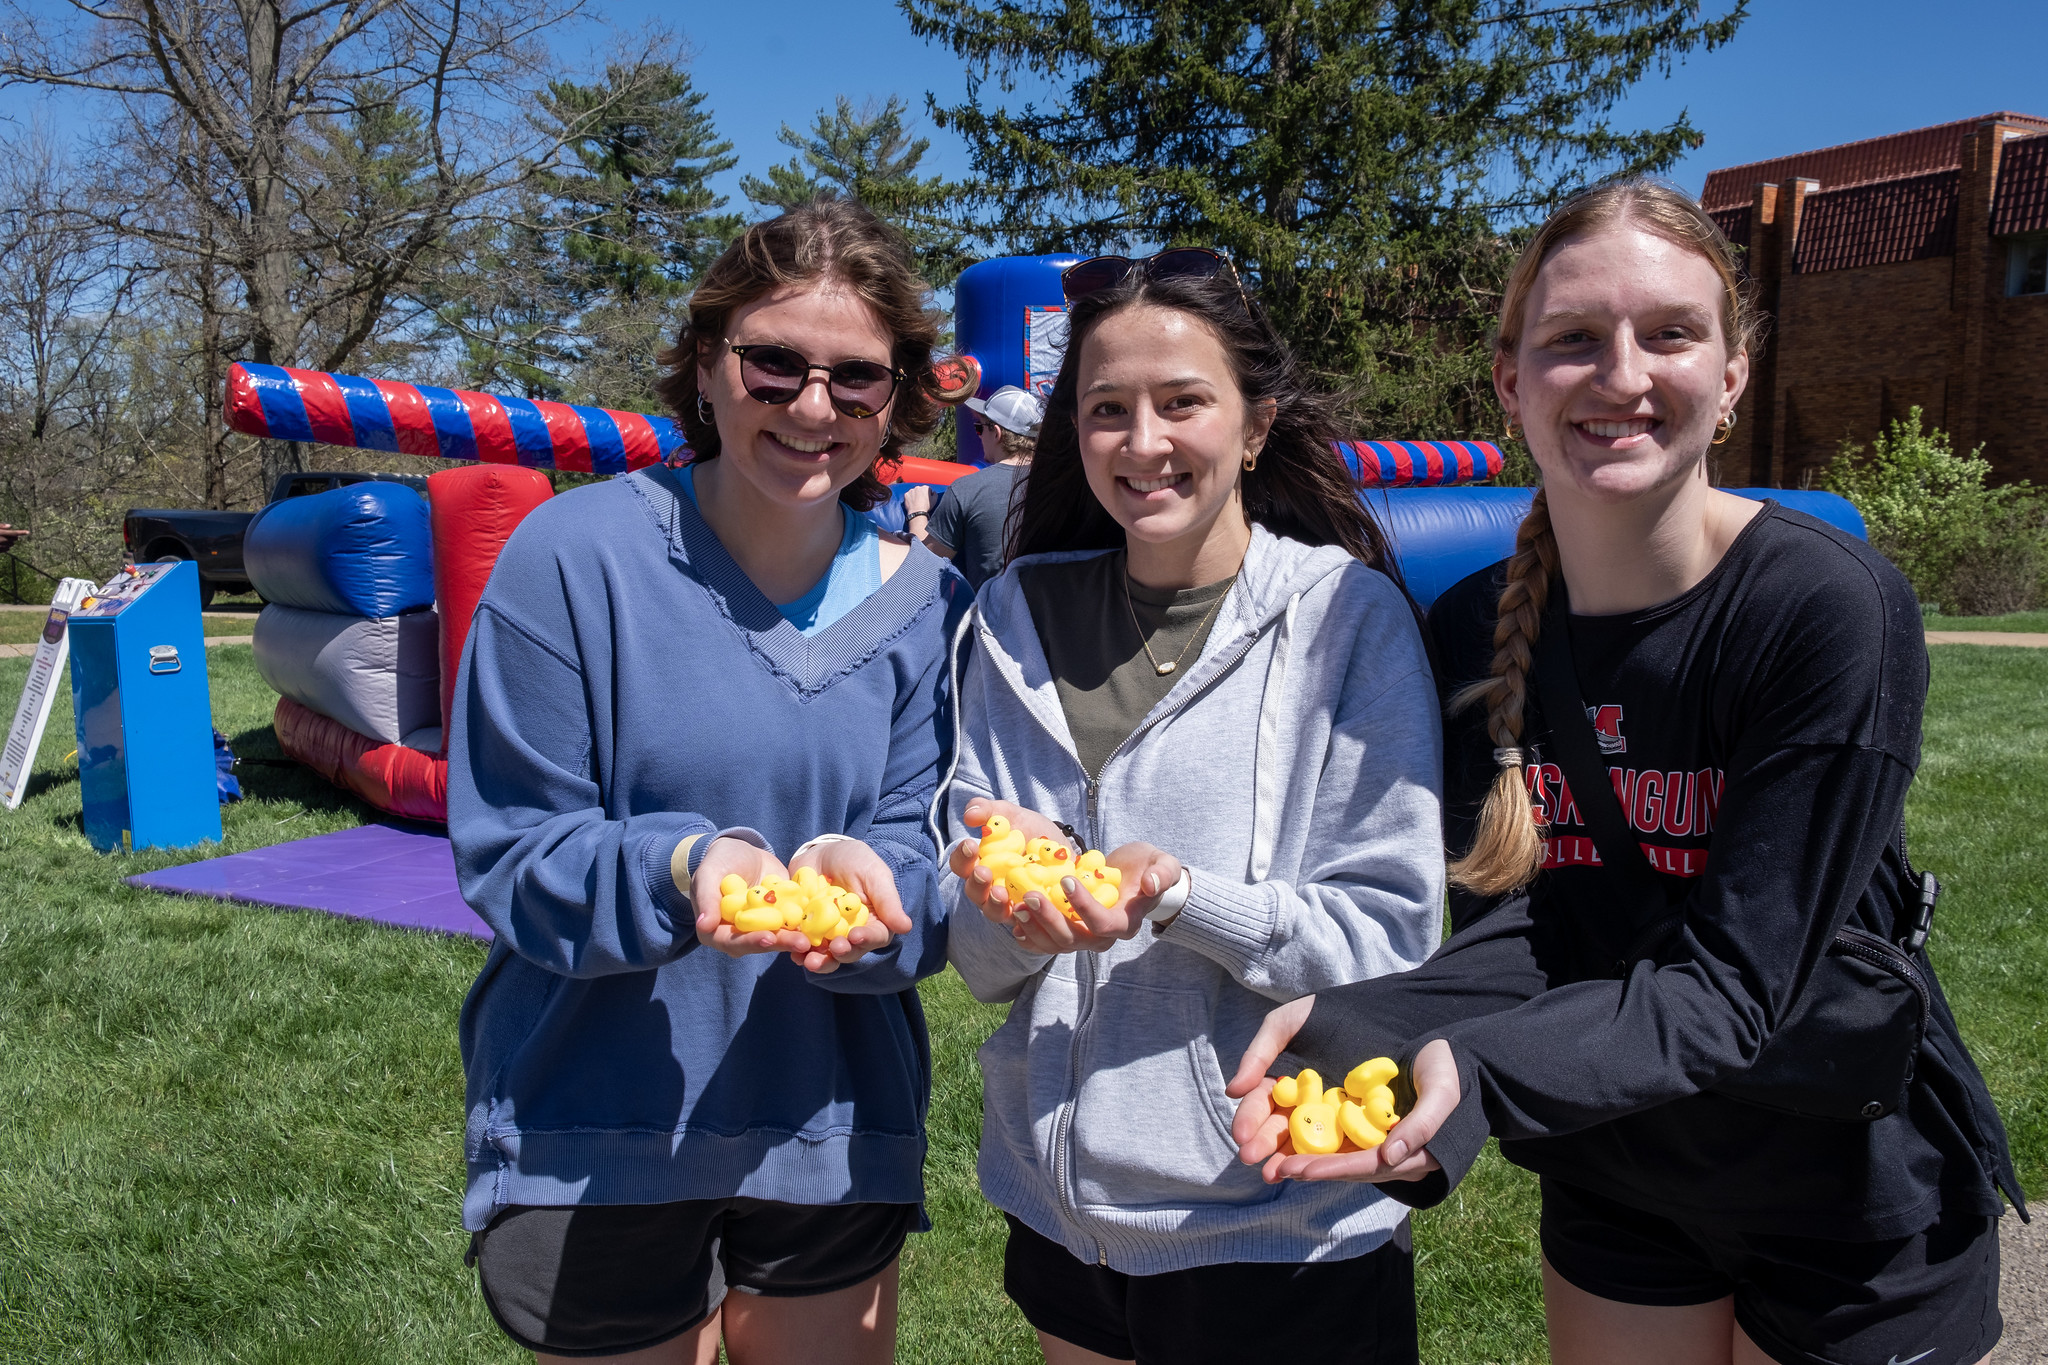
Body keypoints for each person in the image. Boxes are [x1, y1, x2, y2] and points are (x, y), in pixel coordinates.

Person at [1228, 180, 2026, 1365]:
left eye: (1667, 333)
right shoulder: (1468, 631)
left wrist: (1479, 1072)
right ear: (1508, 381)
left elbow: (1736, 984)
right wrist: (1370, 1022)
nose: (1620, 374)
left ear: (1732, 372)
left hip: (1842, 1192)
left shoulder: (1821, 610)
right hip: (1617, 1171)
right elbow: (1533, 929)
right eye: (1570, 340)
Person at [447, 199, 969, 1365]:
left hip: (831, 1123)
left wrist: (870, 888)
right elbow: (514, 848)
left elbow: (930, 867)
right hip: (591, 1122)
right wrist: (686, 867)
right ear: (704, 364)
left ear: (899, 397)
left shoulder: (933, 609)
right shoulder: (573, 558)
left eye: (856, 379)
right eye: (772, 364)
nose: (813, 407)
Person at [940, 248, 1446, 1365]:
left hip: (1275, 1229)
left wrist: (1178, 896)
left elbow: (1391, 934)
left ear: (1255, 425)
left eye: (1183, 402)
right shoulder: (1014, 618)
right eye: (1106, 409)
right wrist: (1004, 909)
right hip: (1060, 1219)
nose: (1142, 441)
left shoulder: (1342, 622)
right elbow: (976, 960)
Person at [903, 384, 1043, 592]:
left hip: (996, 621)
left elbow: (925, 567)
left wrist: (918, 512)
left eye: (980, 428)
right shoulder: (1068, 485)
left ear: (996, 433)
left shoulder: (968, 489)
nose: (978, 435)